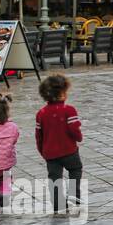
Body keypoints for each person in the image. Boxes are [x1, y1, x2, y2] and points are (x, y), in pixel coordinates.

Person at [35, 74, 83, 213]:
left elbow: (39, 135)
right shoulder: (69, 110)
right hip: (69, 150)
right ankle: (74, 195)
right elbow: (74, 129)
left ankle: (58, 204)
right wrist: (78, 137)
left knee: (54, 178)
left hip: (50, 153)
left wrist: (42, 150)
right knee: (75, 170)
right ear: (62, 94)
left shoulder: (41, 113)